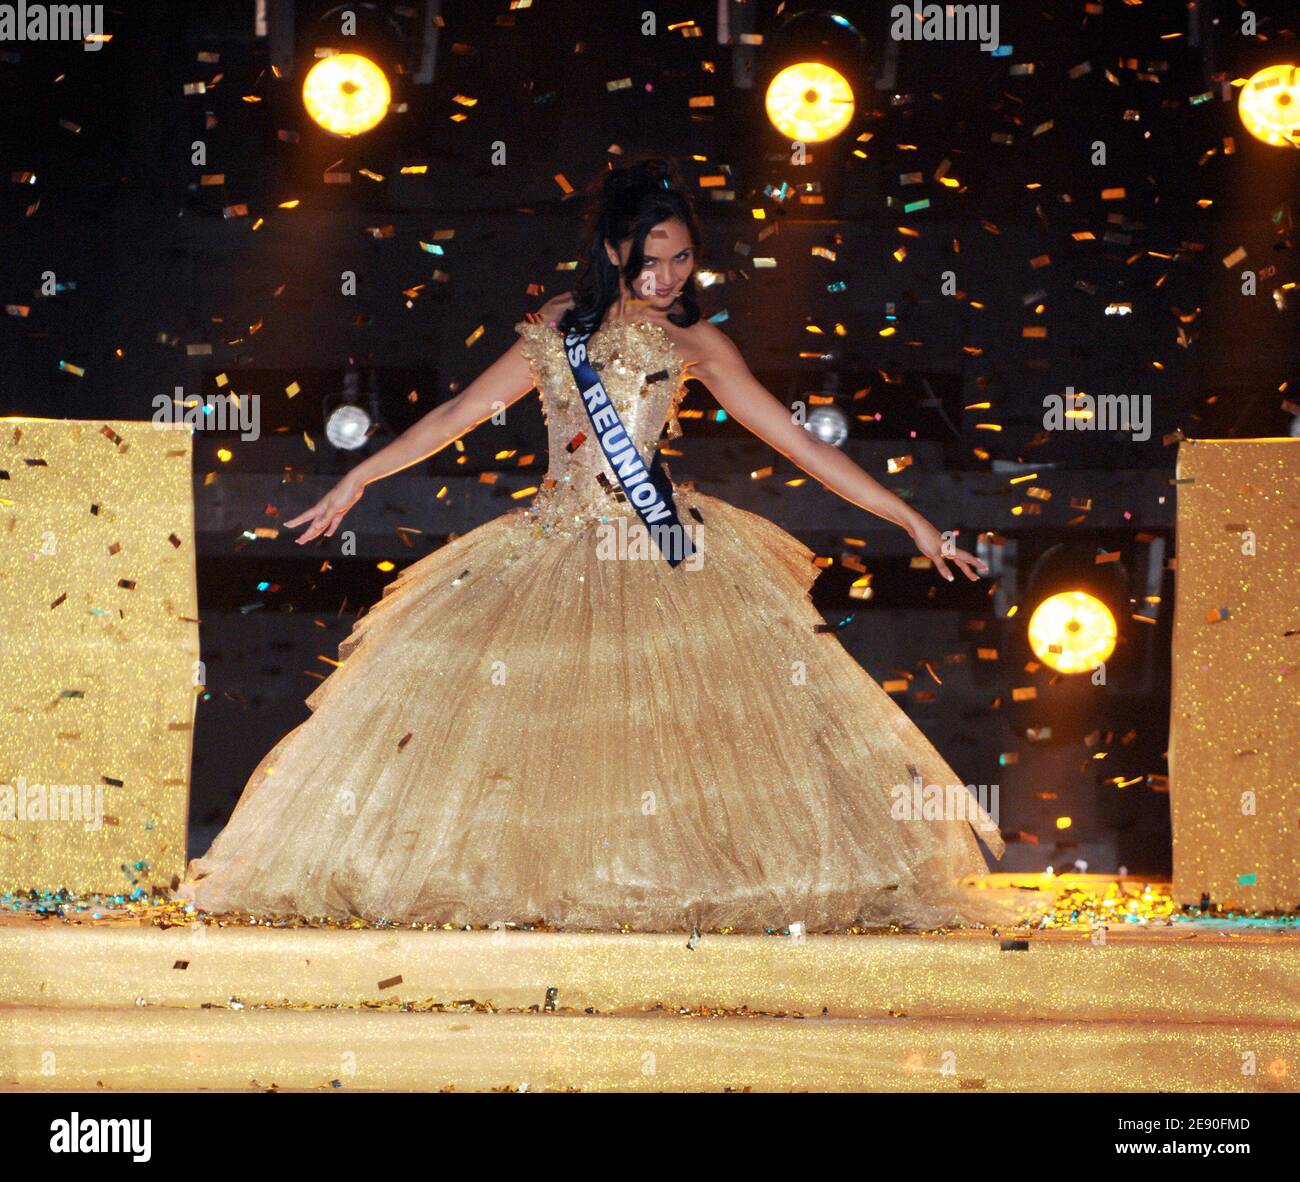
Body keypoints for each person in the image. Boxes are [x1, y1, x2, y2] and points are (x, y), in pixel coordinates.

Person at [173, 156, 1014, 932]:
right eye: (655, 256)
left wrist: (911, 520)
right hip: (546, 547)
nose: (671, 274)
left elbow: (801, 445)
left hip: (662, 554)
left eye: (684, 258)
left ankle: (667, 880)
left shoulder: (698, 344)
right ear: (614, 249)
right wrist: (360, 478)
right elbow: (457, 414)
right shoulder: (556, 328)